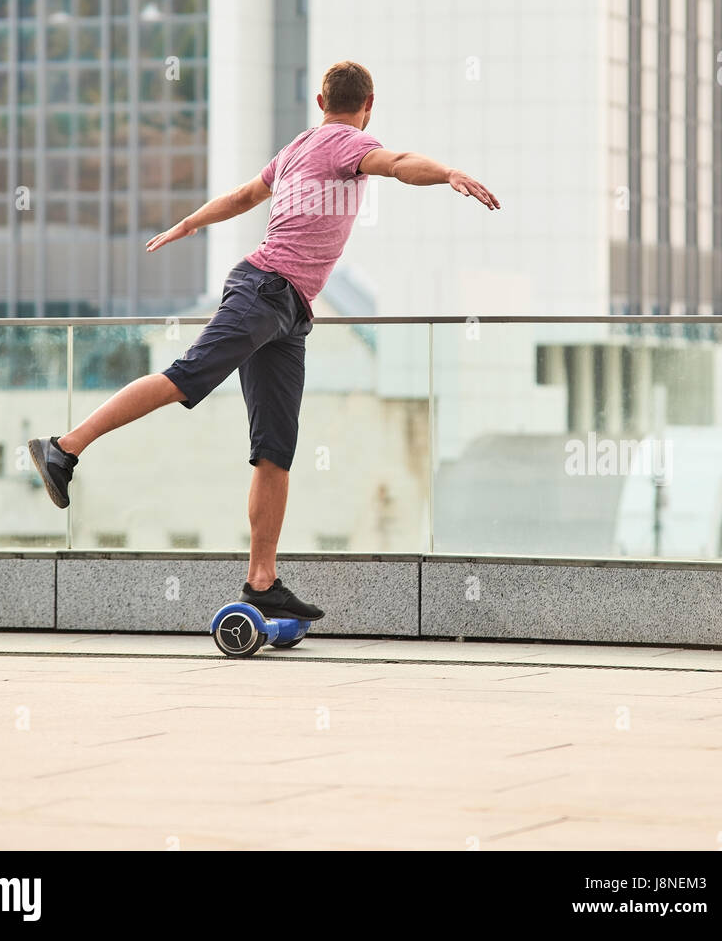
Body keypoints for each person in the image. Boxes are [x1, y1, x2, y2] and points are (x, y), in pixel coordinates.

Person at [28, 60, 500, 621]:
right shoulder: (346, 143)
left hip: (290, 310)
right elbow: (397, 164)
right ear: (368, 104)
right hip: (265, 292)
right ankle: (64, 448)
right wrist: (448, 173)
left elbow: (244, 195)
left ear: (319, 99)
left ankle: (262, 581)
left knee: (274, 451)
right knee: (185, 378)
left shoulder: (298, 145)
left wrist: (190, 223)